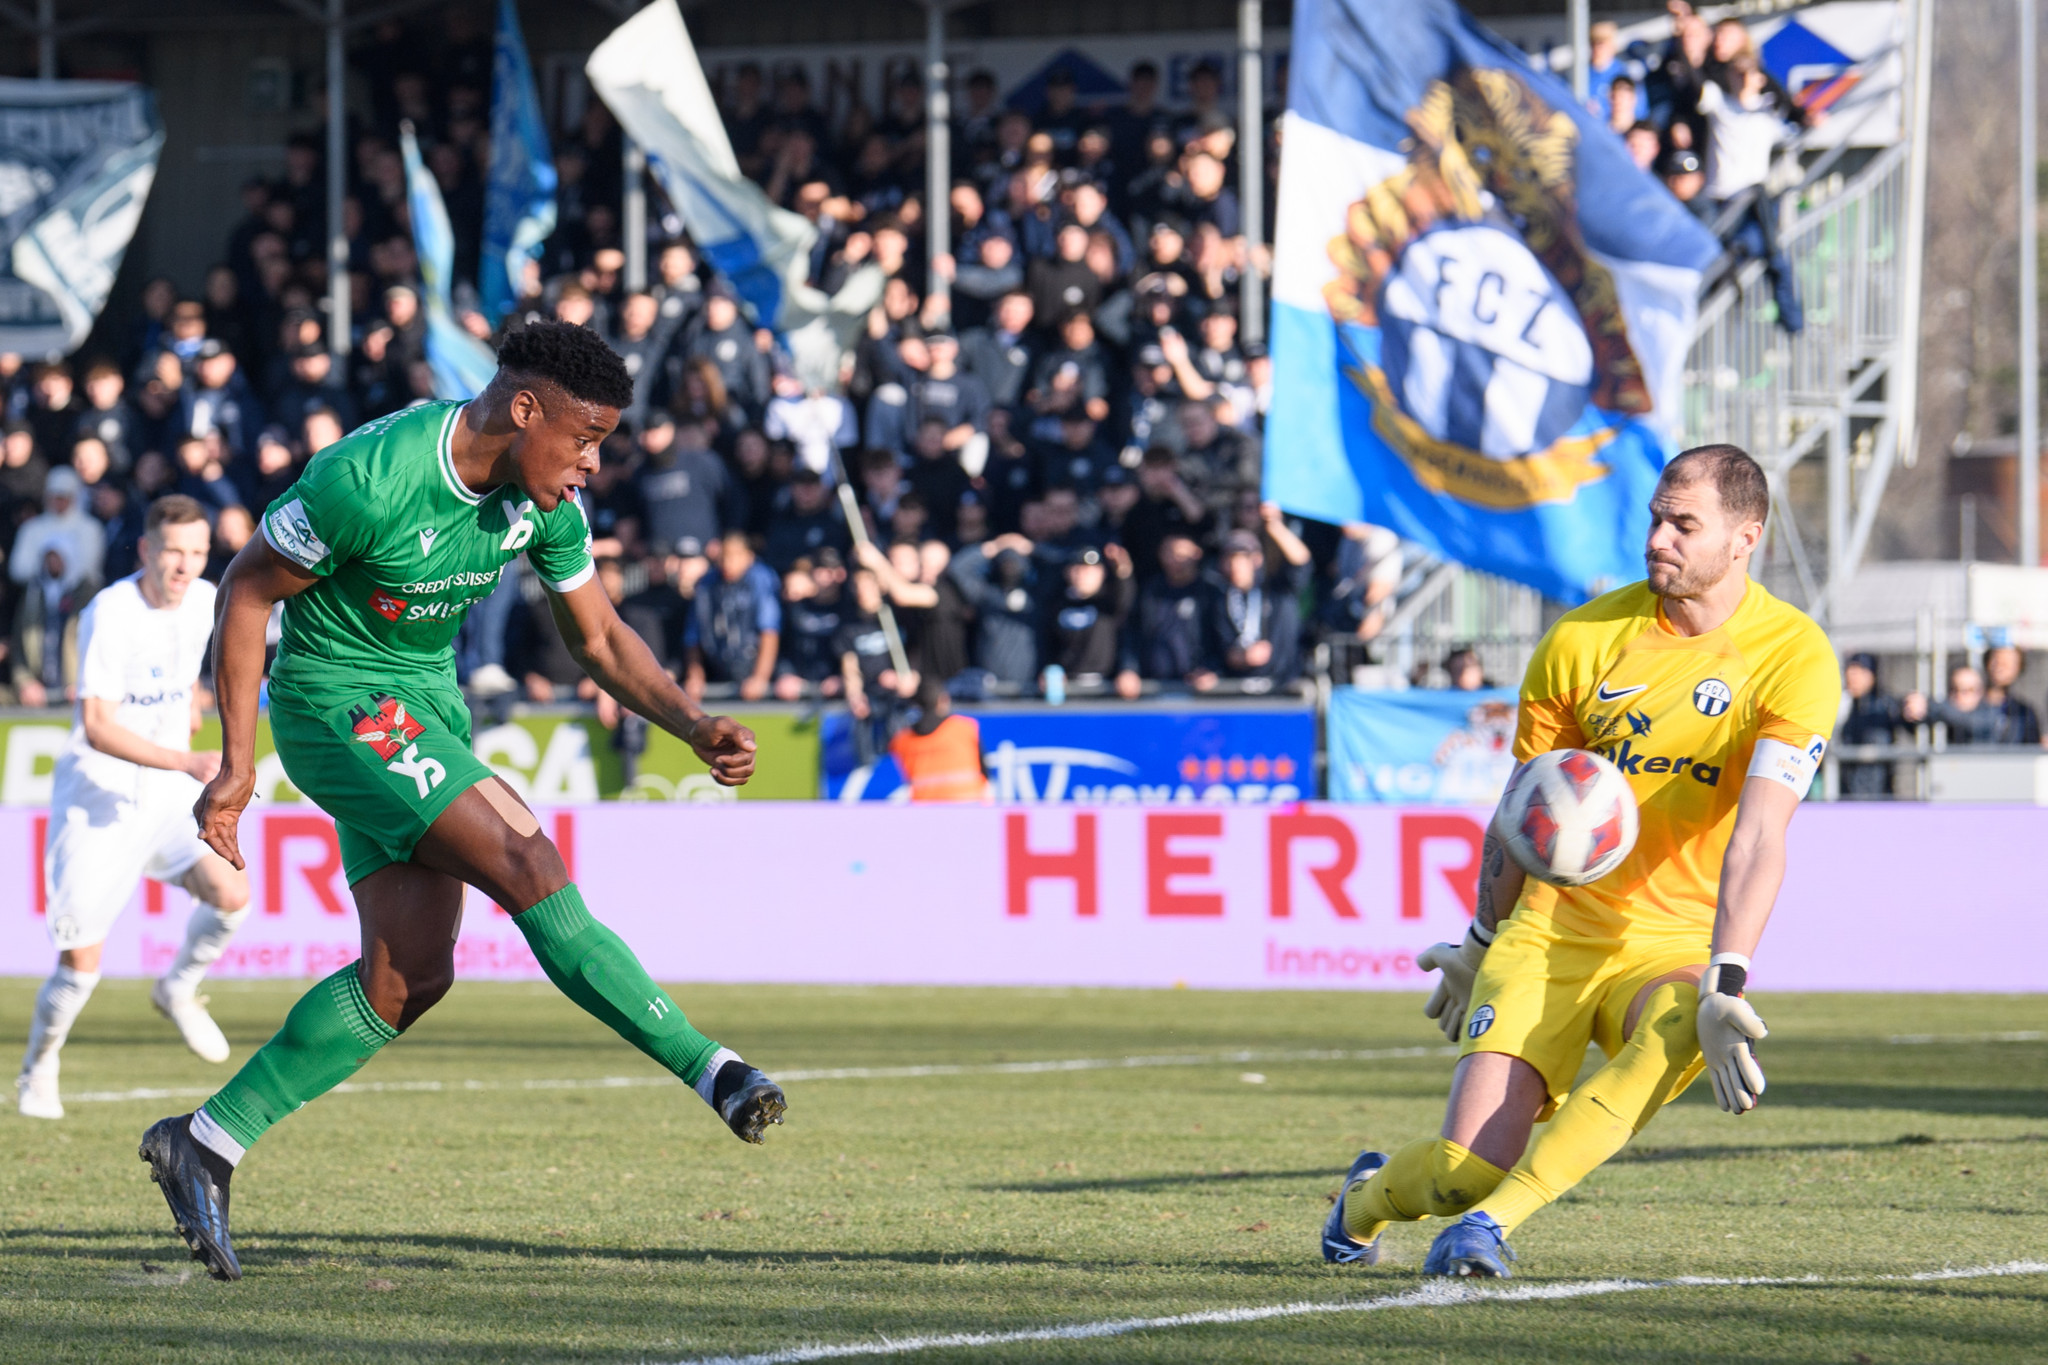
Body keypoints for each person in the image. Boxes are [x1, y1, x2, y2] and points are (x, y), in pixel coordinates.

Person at [139, 322, 785, 1283]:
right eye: (585, 438)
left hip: (423, 705)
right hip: (334, 698)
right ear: (526, 409)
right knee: (530, 862)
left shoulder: (543, 501)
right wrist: (239, 764)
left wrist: (693, 724)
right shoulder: (368, 478)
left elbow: (600, 640)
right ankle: (715, 1068)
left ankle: (206, 1140)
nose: (592, 465)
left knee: (408, 978)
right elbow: (245, 592)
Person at [1321, 444, 1840, 1278]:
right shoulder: (1583, 639)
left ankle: (1492, 1225)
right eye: (1655, 518)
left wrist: (1728, 973)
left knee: (1685, 1023)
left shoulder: (1794, 655)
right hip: (1552, 933)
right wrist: (1482, 940)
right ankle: (1370, 1197)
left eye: (1684, 523)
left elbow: (1760, 833)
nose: (1658, 538)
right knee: (1460, 1173)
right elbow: (1520, 812)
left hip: (1666, 938)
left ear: (1745, 537)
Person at [17, 498, 253, 1119]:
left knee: (231, 896)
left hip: (166, 797)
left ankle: (177, 986)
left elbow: (195, 673)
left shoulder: (206, 599)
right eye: (173, 551)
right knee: (81, 965)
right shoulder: (110, 612)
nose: (185, 566)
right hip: (99, 799)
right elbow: (96, 726)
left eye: (197, 553)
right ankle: (39, 1066)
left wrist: (195, 704)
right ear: (147, 550)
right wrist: (185, 759)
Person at [684, 531, 782, 702]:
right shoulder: (707, 583)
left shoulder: (761, 579)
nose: (727, 563)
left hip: (753, 670)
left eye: (734, 556)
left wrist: (760, 678)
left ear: (749, 556)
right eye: (723, 556)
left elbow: (769, 630)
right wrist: (695, 675)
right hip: (716, 671)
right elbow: (693, 635)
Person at [888, 674, 991, 803]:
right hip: (968, 805)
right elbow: (985, 774)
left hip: (925, 810)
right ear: (943, 699)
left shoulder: (901, 740)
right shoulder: (965, 728)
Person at [1837, 651, 1902, 798]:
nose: (1852, 678)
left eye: (1859, 673)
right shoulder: (1847, 705)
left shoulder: (1883, 705)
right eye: (1850, 672)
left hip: (1875, 794)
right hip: (1848, 791)